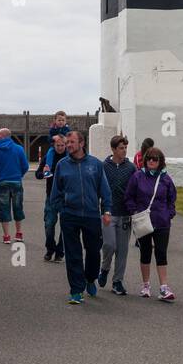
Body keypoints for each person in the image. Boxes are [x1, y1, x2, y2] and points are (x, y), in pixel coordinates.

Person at [50, 130, 112, 305]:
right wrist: (62, 209)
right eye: (67, 142)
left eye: (71, 142)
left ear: (81, 143)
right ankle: (76, 290)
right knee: (73, 254)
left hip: (91, 215)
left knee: (93, 251)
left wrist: (106, 210)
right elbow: (56, 192)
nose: (68, 145)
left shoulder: (96, 164)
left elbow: (104, 190)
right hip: (70, 216)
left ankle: (90, 278)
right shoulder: (62, 165)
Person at [124, 146, 177, 300]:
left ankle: (163, 287)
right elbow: (129, 196)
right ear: (145, 160)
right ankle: (146, 285)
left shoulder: (166, 178)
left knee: (161, 253)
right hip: (143, 221)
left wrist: (169, 214)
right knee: (145, 253)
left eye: (155, 159)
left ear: (160, 161)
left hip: (161, 222)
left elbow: (171, 198)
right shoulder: (137, 176)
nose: (152, 161)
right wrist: (134, 211)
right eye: (149, 158)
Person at [99, 134, 135, 294]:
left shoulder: (131, 168)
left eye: (126, 147)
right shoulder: (104, 166)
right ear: (113, 149)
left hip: (125, 214)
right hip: (108, 213)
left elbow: (137, 188)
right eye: (121, 148)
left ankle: (117, 281)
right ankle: (105, 268)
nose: (124, 151)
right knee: (109, 245)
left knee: (122, 250)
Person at [0, 127, 29, 245]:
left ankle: (6, 236)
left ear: (3, 136)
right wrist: (19, 175)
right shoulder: (19, 149)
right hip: (16, 182)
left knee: (4, 208)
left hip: (3, 182)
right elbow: (25, 166)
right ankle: (19, 233)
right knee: (18, 207)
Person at [41, 132, 69, 262]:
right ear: (54, 145)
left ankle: (60, 251)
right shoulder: (49, 156)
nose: (60, 148)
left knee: (66, 226)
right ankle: (50, 248)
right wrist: (42, 173)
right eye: (58, 145)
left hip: (66, 197)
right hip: (51, 196)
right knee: (49, 224)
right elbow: (38, 174)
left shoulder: (70, 158)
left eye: (62, 145)